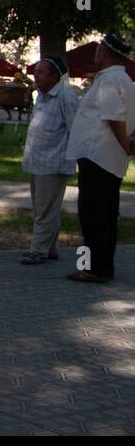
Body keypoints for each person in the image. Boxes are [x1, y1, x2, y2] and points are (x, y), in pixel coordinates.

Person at [64, 32, 135, 283]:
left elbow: (114, 116)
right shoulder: (124, 79)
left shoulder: (108, 81)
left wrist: (125, 143)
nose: (96, 53)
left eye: (98, 49)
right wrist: (128, 142)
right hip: (107, 158)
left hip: (98, 156)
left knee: (93, 215)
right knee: (105, 214)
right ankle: (102, 266)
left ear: (104, 53)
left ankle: (96, 269)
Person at [20, 56, 79, 265]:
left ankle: (38, 250)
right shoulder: (41, 96)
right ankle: (50, 247)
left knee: (45, 209)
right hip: (37, 161)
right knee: (42, 207)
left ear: (54, 76)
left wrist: (76, 158)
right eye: (36, 71)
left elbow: (75, 129)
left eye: (41, 72)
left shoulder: (65, 96)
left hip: (54, 162)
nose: (36, 75)